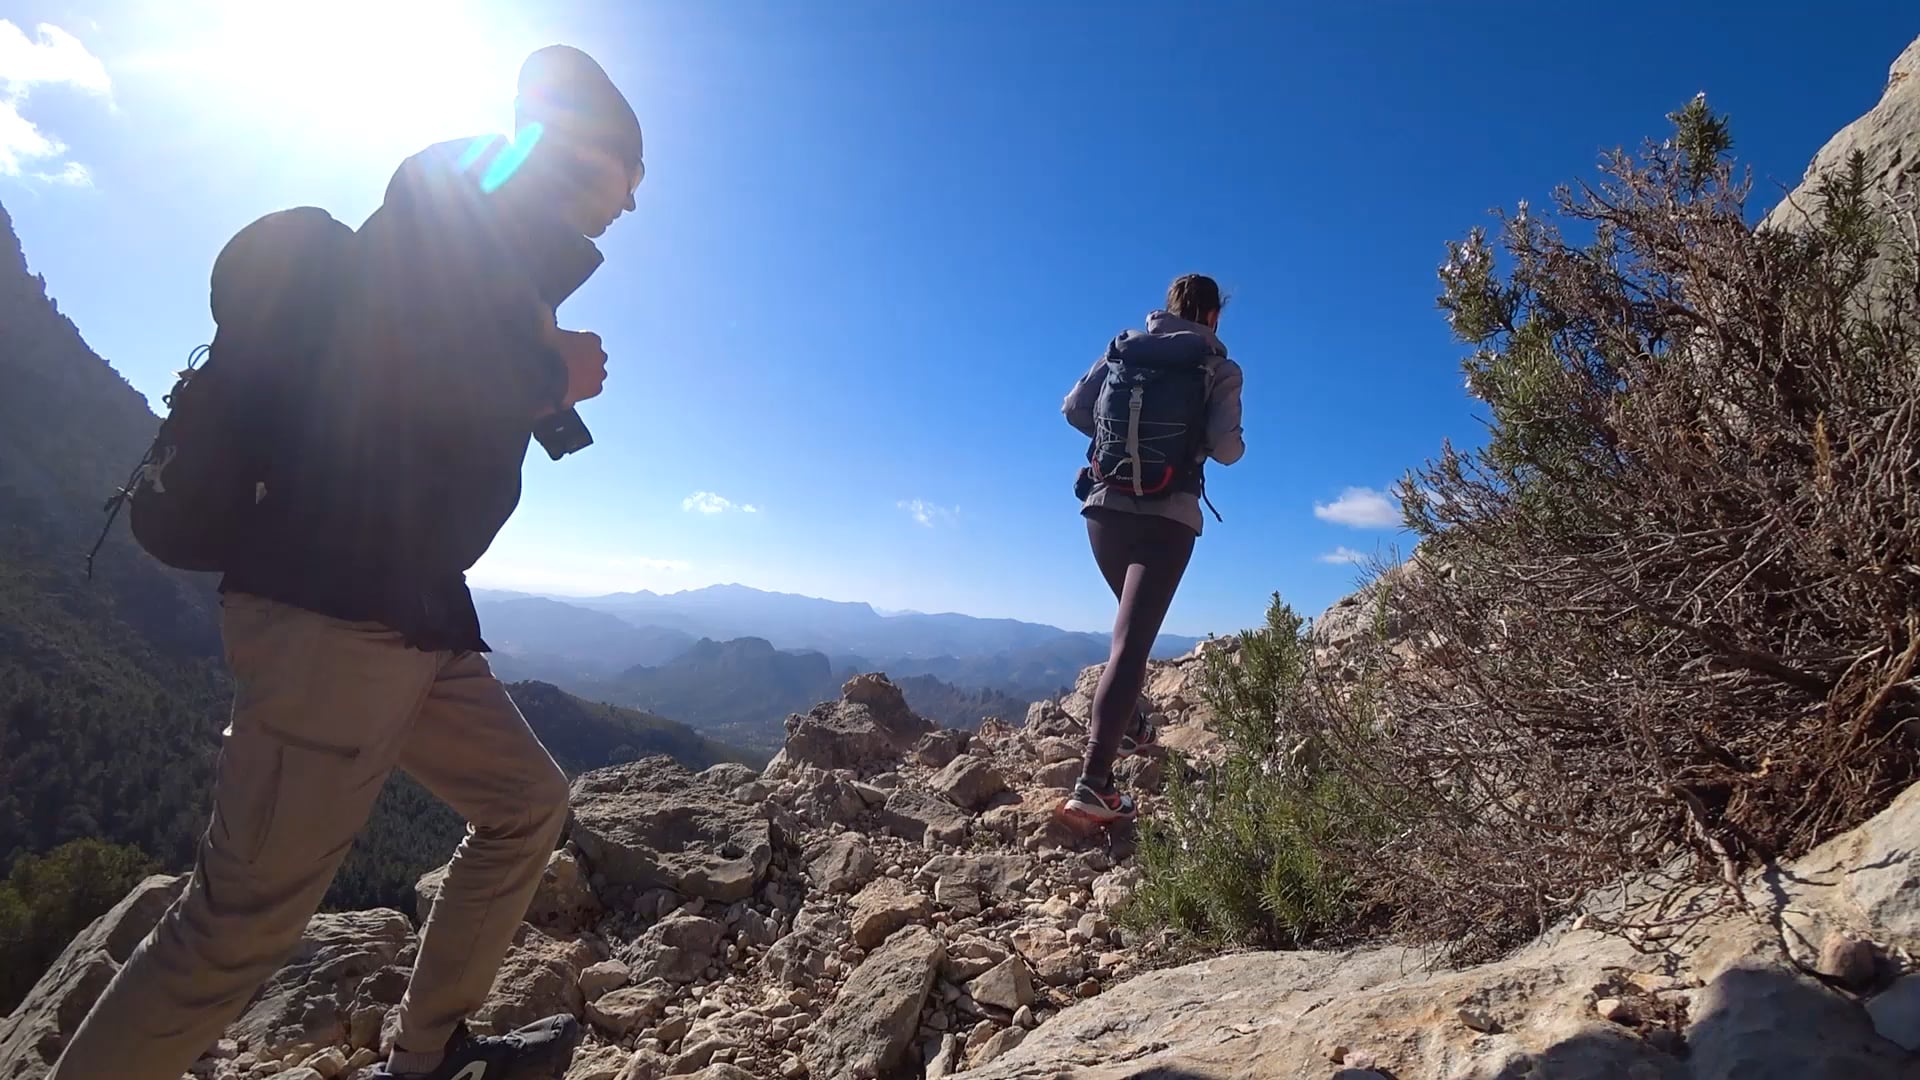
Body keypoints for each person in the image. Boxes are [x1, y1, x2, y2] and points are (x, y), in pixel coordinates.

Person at [48, 45, 644, 1080]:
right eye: (623, 180)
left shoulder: (502, 253)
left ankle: (426, 1057)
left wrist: (538, 370)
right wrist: (548, 372)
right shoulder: (448, 202)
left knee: (526, 804)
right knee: (235, 927)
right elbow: (391, 358)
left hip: (411, 611)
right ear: (573, 151)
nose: (628, 208)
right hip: (332, 611)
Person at [1058, 274, 1245, 824]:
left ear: (1165, 310)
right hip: (1167, 517)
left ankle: (1133, 724)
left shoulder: (1121, 353)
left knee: (1129, 632)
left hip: (1102, 512)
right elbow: (1228, 449)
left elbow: (1073, 410)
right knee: (1132, 642)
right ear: (1212, 316)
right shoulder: (1217, 367)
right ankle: (1093, 783)